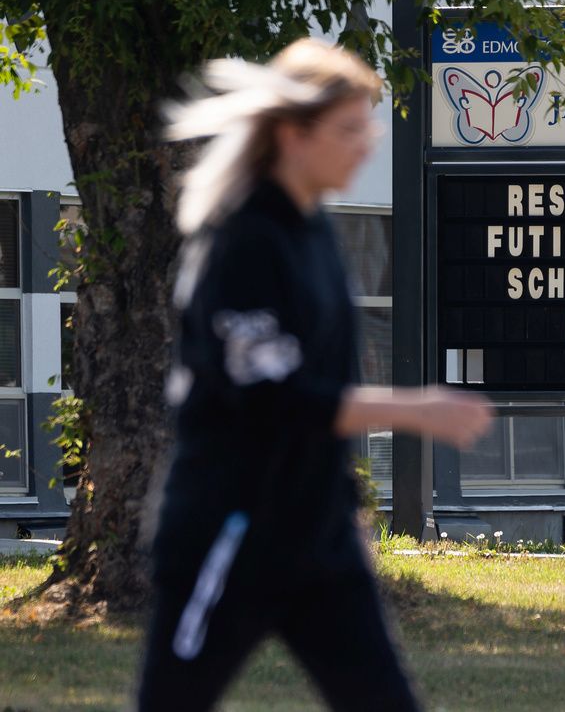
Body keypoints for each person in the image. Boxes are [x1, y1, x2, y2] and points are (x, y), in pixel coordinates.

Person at [137, 39, 493, 711]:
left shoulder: (316, 232)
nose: (369, 144)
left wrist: (345, 508)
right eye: (350, 129)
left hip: (318, 539)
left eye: (369, 126)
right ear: (291, 135)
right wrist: (415, 409)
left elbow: (318, 391)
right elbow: (276, 398)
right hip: (229, 534)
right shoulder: (241, 240)